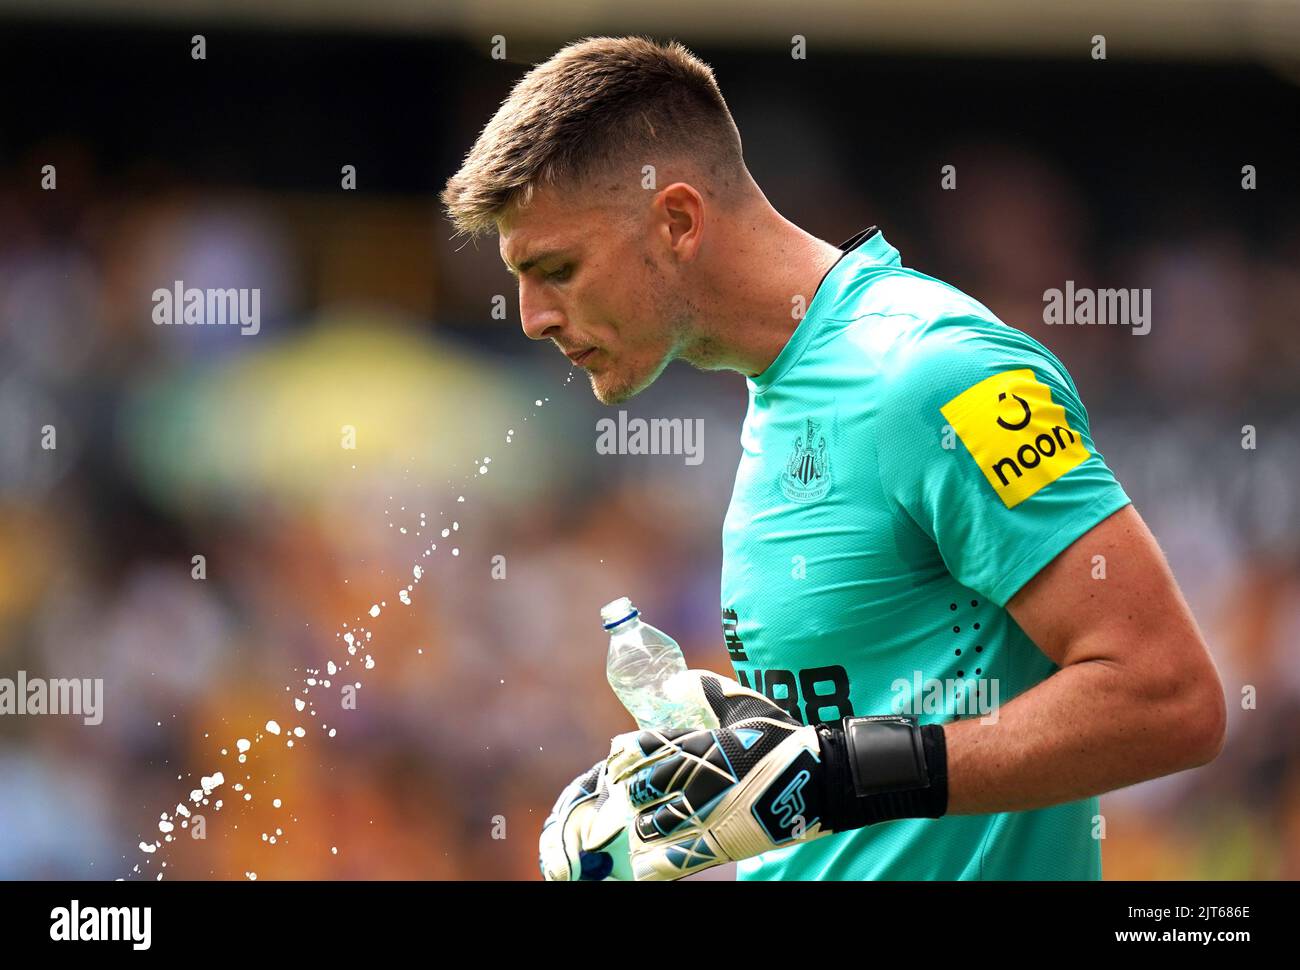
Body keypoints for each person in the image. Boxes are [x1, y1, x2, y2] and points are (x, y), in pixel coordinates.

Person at [440, 35, 1225, 881]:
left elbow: (1169, 698)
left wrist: (845, 773)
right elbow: (848, 780)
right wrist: (720, 780)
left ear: (676, 221)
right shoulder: (776, 390)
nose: (531, 318)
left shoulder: (940, 374)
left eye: (556, 268)